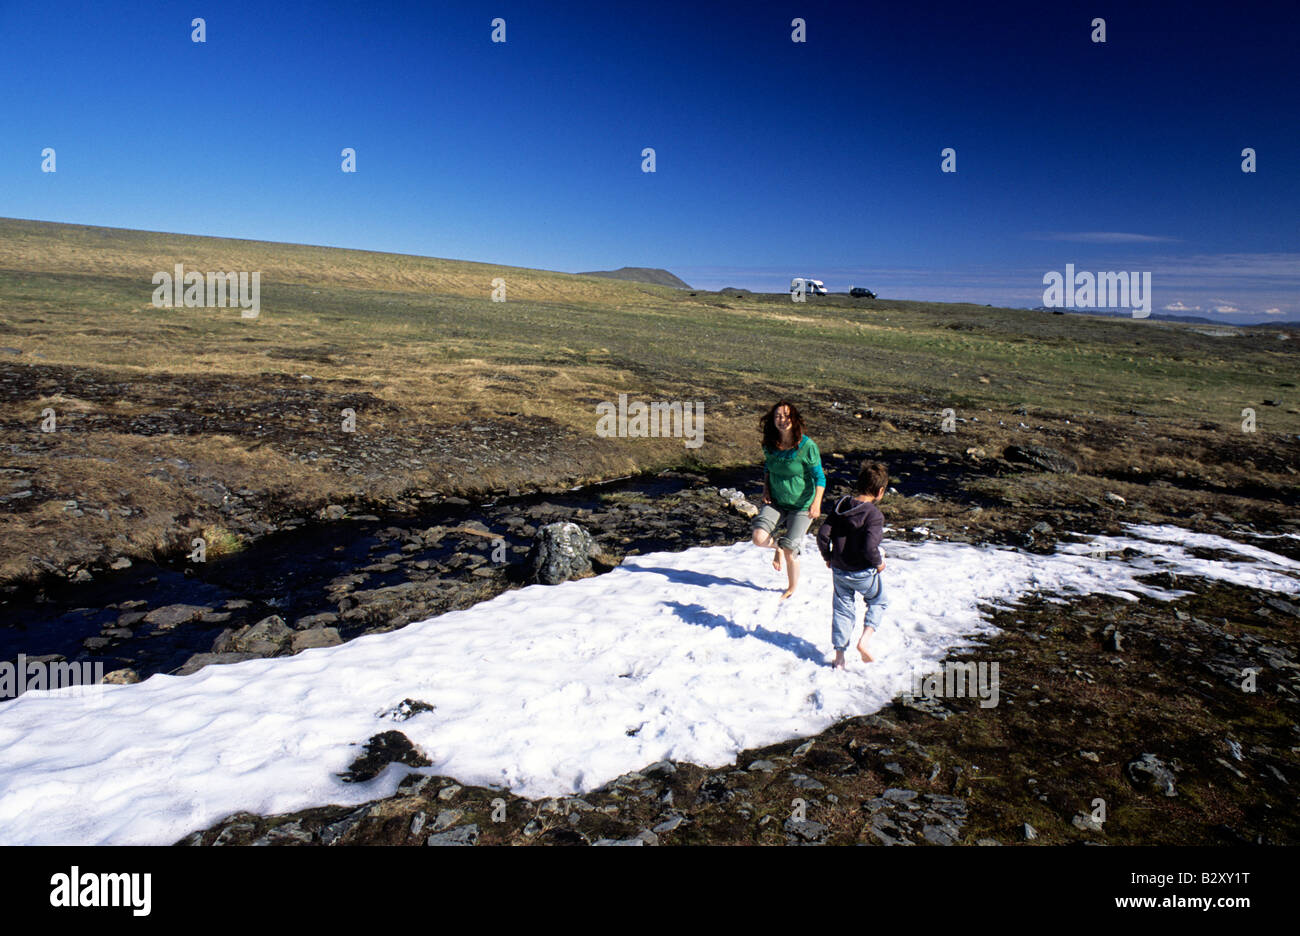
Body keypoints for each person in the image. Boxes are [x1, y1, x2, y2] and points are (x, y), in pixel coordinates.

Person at [816, 462, 889, 669]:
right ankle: (864, 641)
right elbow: (869, 546)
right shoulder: (874, 515)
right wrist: (879, 563)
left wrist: (827, 556)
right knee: (878, 601)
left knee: (842, 610)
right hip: (864, 572)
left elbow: (822, 534)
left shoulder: (841, 505)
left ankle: (839, 657)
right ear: (880, 491)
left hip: (840, 569)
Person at [750, 401, 825, 599]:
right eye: (778, 416)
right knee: (758, 538)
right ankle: (778, 548)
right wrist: (766, 489)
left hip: (802, 505)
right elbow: (768, 468)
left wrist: (816, 503)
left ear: (794, 419)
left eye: (786, 416)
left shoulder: (807, 446)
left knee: (791, 548)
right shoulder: (770, 445)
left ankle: (791, 588)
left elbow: (820, 477)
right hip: (777, 500)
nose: (782, 420)